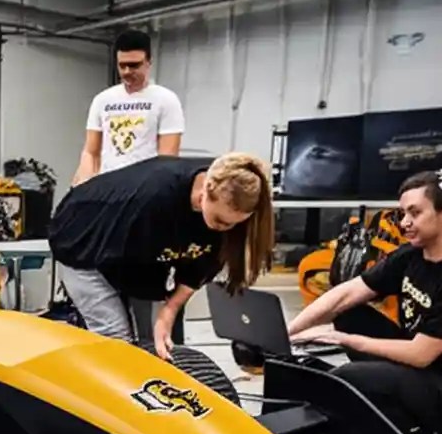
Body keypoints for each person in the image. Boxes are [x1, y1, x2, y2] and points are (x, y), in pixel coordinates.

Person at [287, 169, 442, 434]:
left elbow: (420, 355)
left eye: (414, 213)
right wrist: (288, 333)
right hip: (424, 372)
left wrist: (345, 340)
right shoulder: (412, 255)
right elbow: (346, 293)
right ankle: (376, 402)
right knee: (348, 314)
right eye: (403, 213)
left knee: (348, 377)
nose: (405, 223)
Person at [49, 152, 276, 360]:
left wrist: (168, 312)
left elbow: (199, 270)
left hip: (133, 248)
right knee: (117, 338)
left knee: (159, 338)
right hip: (80, 237)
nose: (225, 229)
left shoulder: (233, 187)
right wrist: (155, 319)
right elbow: (133, 274)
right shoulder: (154, 201)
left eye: (234, 224)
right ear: (203, 194)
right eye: (220, 221)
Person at [72, 29, 185, 187]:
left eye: (134, 65)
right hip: (107, 187)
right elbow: (91, 152)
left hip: (143, 189)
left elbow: (167, 159)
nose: (127, 71)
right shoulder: (102, 100)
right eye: (122, 65)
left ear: (148, 62)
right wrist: (83, 186)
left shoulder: (166, 100)